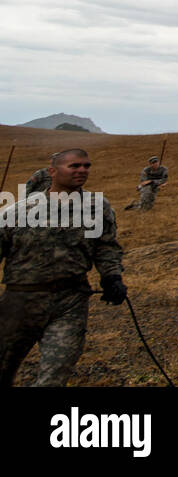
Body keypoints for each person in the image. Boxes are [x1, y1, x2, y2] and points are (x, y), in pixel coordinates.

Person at [0, 148, 126, 386]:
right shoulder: (17, 212)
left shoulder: (97, 207)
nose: (82, 170)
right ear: (53, 171)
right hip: (21, 302)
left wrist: (112, 276)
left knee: (56, 375)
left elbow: (106, 245)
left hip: (71, 300)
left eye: (86, 166)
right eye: (74, 166)